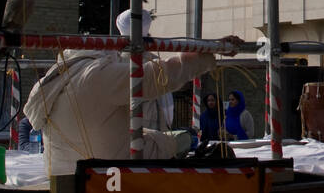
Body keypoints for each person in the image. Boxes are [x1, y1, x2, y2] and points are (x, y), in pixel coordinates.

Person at [24, 10, 225, 177]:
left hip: (63, 173)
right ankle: (189, 139)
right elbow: (155, 77)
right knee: (183, 138)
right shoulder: (95, 75)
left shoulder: (53, 80)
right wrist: (205, 56)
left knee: (154, 135)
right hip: (110, 171)